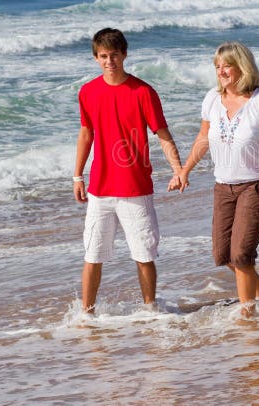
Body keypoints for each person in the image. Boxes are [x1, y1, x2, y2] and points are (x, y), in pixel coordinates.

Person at [171, 41, 259, 318]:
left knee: (241, 255)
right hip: (223, 186)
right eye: (218, 66)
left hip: (257, 184)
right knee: (223, 254)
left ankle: (248, 312)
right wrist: (184, 170)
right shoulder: (212, 99)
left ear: (242, 67)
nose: (222, 71)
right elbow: (203, 138)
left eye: (227, 65)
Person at [73, 28, 183, 314]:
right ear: (96, 58)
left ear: (125, 54)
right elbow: (86, 134)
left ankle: (151, 310)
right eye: (103, 56)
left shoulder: (143, 92)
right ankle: (86, 315)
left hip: (135, 188)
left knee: (144, 254)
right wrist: (77, 176)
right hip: (100, 189)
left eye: (115, 55)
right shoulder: (87, 92)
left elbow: (162, 133)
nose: (110, 61)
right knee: (93, 254)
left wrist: (177, 170)